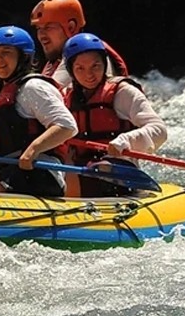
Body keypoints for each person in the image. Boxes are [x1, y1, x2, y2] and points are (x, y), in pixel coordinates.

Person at [0, 26, 78, 196]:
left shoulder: (34, 87)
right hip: (12, 173)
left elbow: (67, 126)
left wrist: (33, 150)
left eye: (6, 52)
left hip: (39, 174)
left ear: (23, 57)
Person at [60, 32, 168, 197]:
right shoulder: (64, 97)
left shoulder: (122, 92)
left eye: (95, 66)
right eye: (80, 68)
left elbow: (159, 130)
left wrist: (125, 140)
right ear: (71, 70)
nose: (89, 75)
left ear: (104, 64)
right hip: (77, 169)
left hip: (115, 170)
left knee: (101, 168)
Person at [29, 0, 128, 88]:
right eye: (38, 29)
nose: (41, 35)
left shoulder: (82, 55)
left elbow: (43, 96)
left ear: (71, 27)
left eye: (48, 27)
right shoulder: (57, 59)